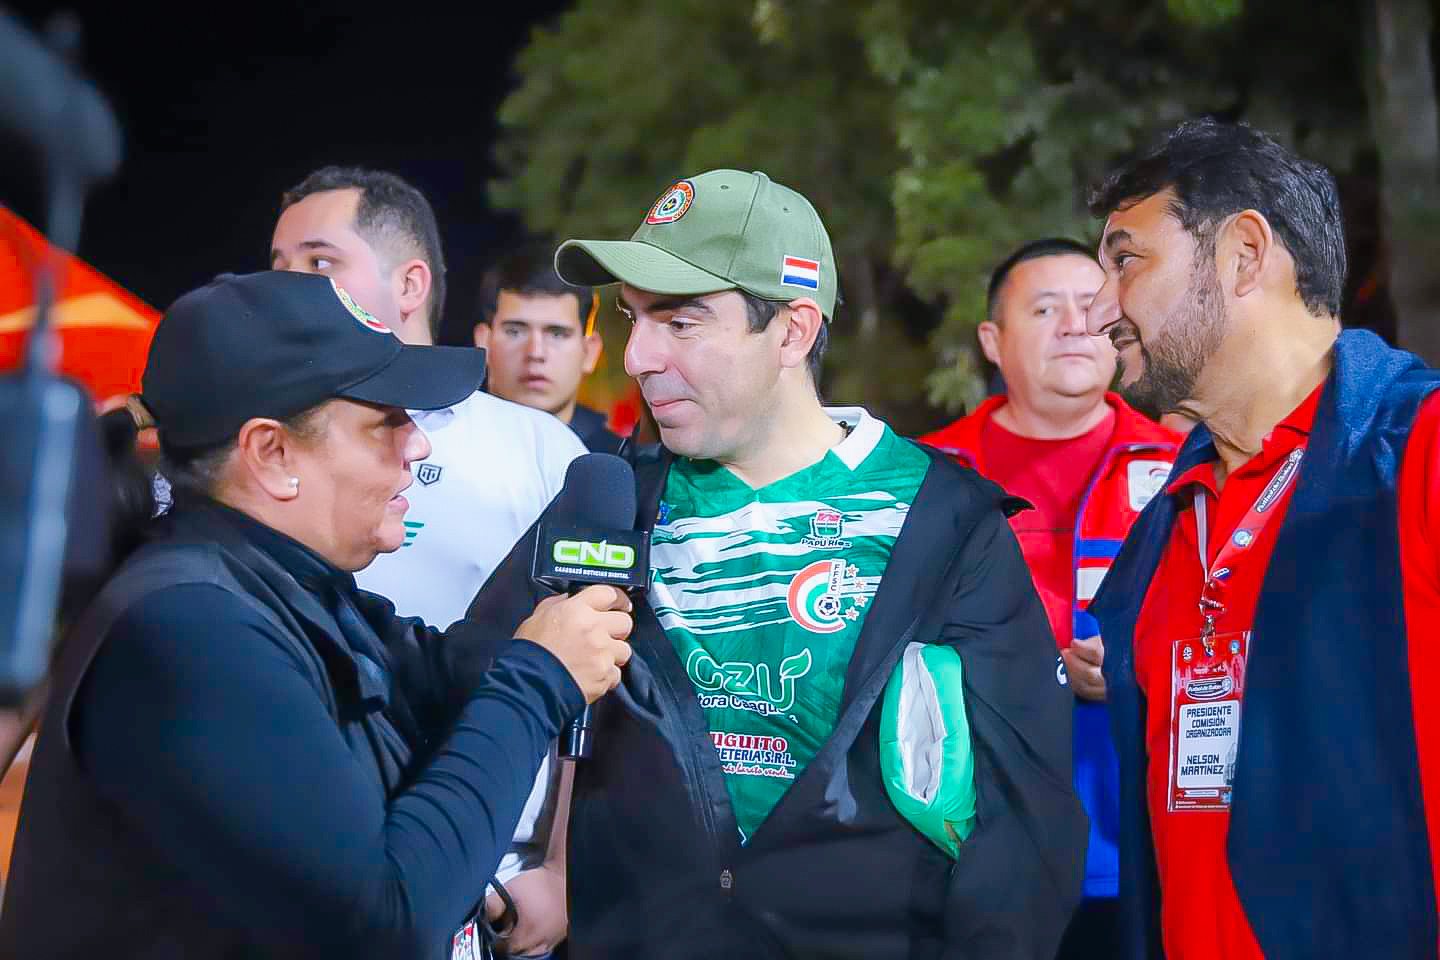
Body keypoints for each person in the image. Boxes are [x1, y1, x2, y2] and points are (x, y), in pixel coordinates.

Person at [469, 169, 1087, 959]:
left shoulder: (947, 522)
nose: (641, 358)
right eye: (634, 319)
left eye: (681, 322)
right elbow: (469, 677)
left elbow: (1025, 825)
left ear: (793, 332)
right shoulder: (610, 503)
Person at [0, 270, 634, 957]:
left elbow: (434, 666)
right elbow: (383, 923)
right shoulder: (189, 630)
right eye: (386, 422)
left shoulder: (279, 582)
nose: (418, 446)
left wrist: (571, 640)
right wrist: (537, 679)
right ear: (272, 454)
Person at [1085, 118, 1440, 960]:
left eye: (1125, 259)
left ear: (1246, 252)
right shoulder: (1168, 524)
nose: (1099, 308)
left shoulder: (1419, 455)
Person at [271, 167, 585, 957]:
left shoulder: (538, 449)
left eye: (317, 263)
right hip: (291, 871)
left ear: (410, 283)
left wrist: (562, 866)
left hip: (488, 890)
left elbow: (598, 673)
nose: (284, 289)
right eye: (276, 267)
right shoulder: (253, 449)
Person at [920, 237, 1180, 957]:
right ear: (992, 341)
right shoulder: (924, 478)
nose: (1075, 324)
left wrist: (1142, 662)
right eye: (1044, 308)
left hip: (1138, 853)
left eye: (1090, 304)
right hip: (965, 851)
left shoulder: (1182, 471)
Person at [475, 247, 624, 454]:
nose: (536, 352)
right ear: (484, 343)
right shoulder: (432, 449)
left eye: (557, 334)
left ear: (589, 352)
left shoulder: (626, 466)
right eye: (515, 332)